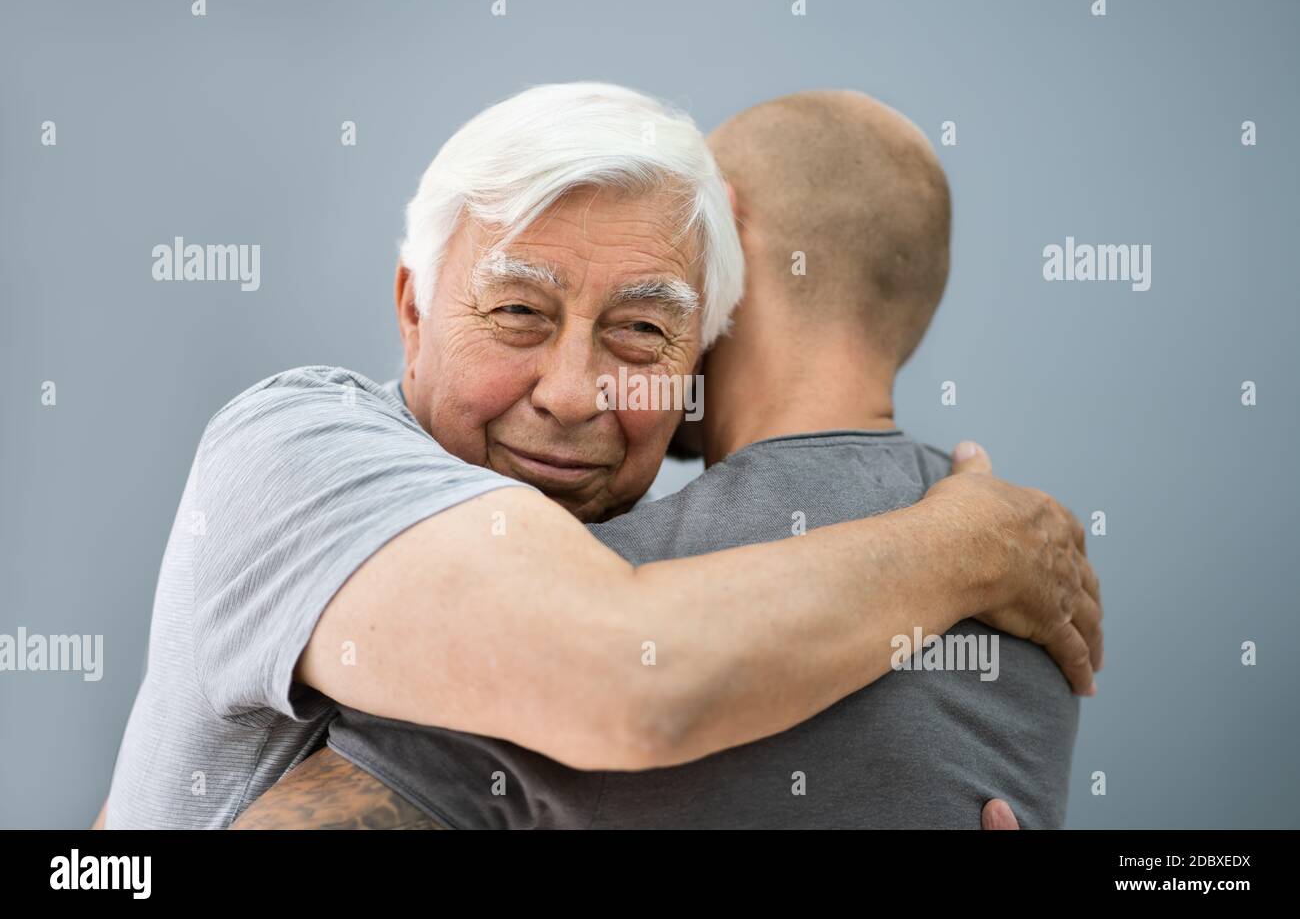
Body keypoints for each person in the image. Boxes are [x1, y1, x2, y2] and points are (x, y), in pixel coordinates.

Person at [97, 83, 1099, 829]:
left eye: (639, 333)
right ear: (412, 306)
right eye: (518, 312)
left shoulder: (661, 558)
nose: (573, 393)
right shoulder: (298, 449)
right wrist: (970, 545)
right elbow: (629, 676)